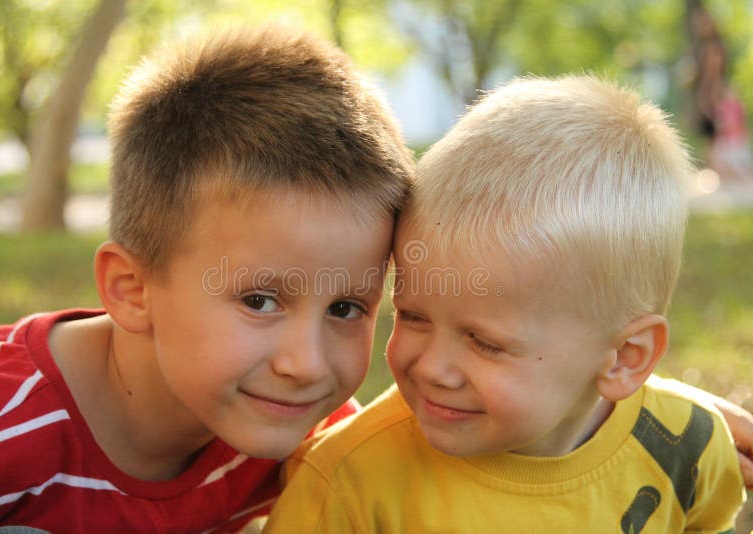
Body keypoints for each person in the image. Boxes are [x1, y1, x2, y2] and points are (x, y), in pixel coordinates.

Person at [0, 26, 413, 532]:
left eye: (345, 309)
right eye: (259, 301)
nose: (306, 365)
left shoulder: (315, 430)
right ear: (132, 289)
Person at [263, 75, 747, 533]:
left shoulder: (685, 443)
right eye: (412, 316)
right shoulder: (346, 486)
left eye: (484, 343)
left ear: (625, 358)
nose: (433, 368)